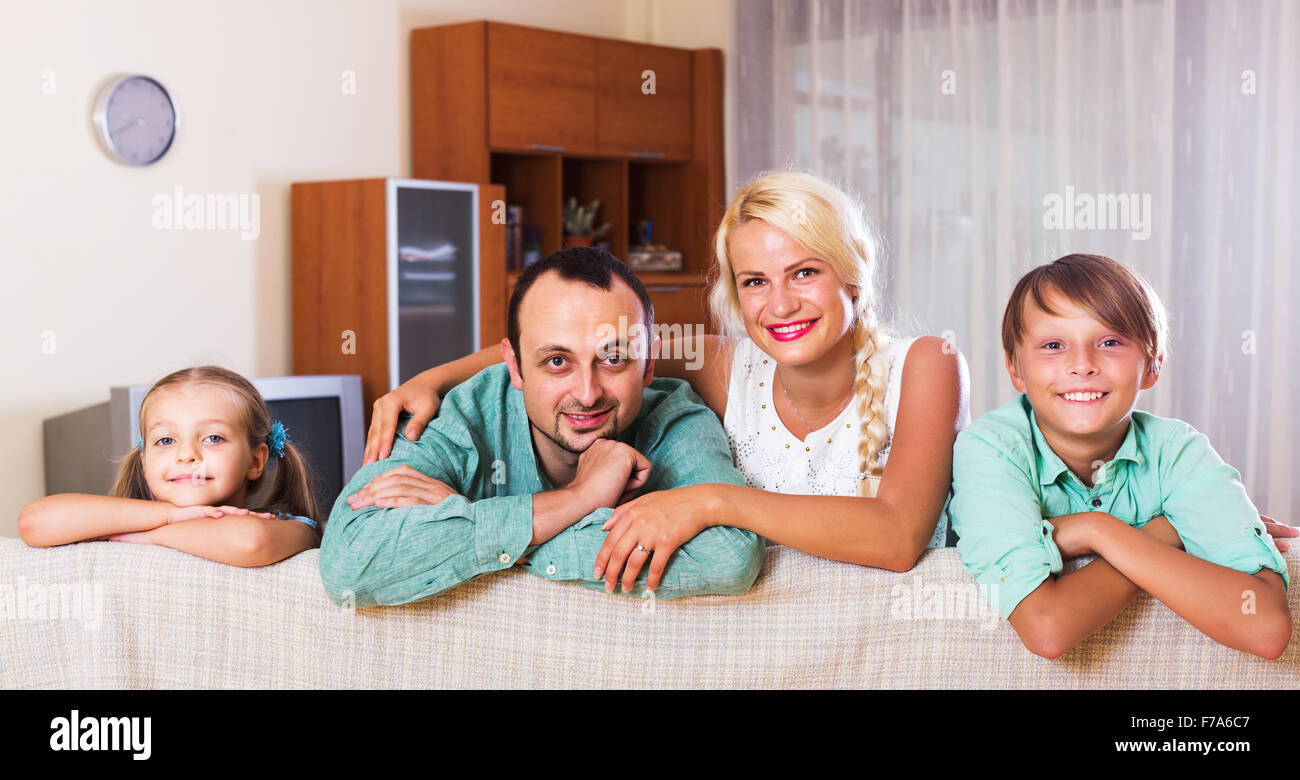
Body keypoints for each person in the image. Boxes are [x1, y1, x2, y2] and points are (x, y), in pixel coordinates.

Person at [363, 171, 969, 595]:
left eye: (804, 272)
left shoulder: (926, 364)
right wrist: (433, 378)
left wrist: (710, 501)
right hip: (768, 640)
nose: (780, 304)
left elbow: (897, 536)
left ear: (853, 277)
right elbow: (573, 345)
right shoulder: (725, 363)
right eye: (755, 281)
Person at [318, 247, 764, 608]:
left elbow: (729, 558)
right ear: (513, 366)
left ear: (648, 362)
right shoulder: (457, 417)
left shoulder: (676, 420)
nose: (588, 394)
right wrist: (577, 499)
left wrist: (472, 522)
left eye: (613, 359)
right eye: (557, 362)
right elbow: (348, 562)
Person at [950, 254, 1294, 659]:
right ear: (1016, 369)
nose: (1082, 365)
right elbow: (1047, 630)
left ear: (1152, 364)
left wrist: (1094, 533)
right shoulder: (990, 449)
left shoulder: (1178, 452)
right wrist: (1163, 531)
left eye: (1110, 342)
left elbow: (1267, 628)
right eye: (1054, 345)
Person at [19, 366, 322, 567]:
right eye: (165, 441)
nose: (186, 455)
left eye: (213, 437)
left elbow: (250, 541)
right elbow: (34, 523)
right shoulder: (130, 518)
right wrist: (170, 515)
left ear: (256, 460)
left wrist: (149, 537)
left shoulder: (290, 526)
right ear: (145, 460)